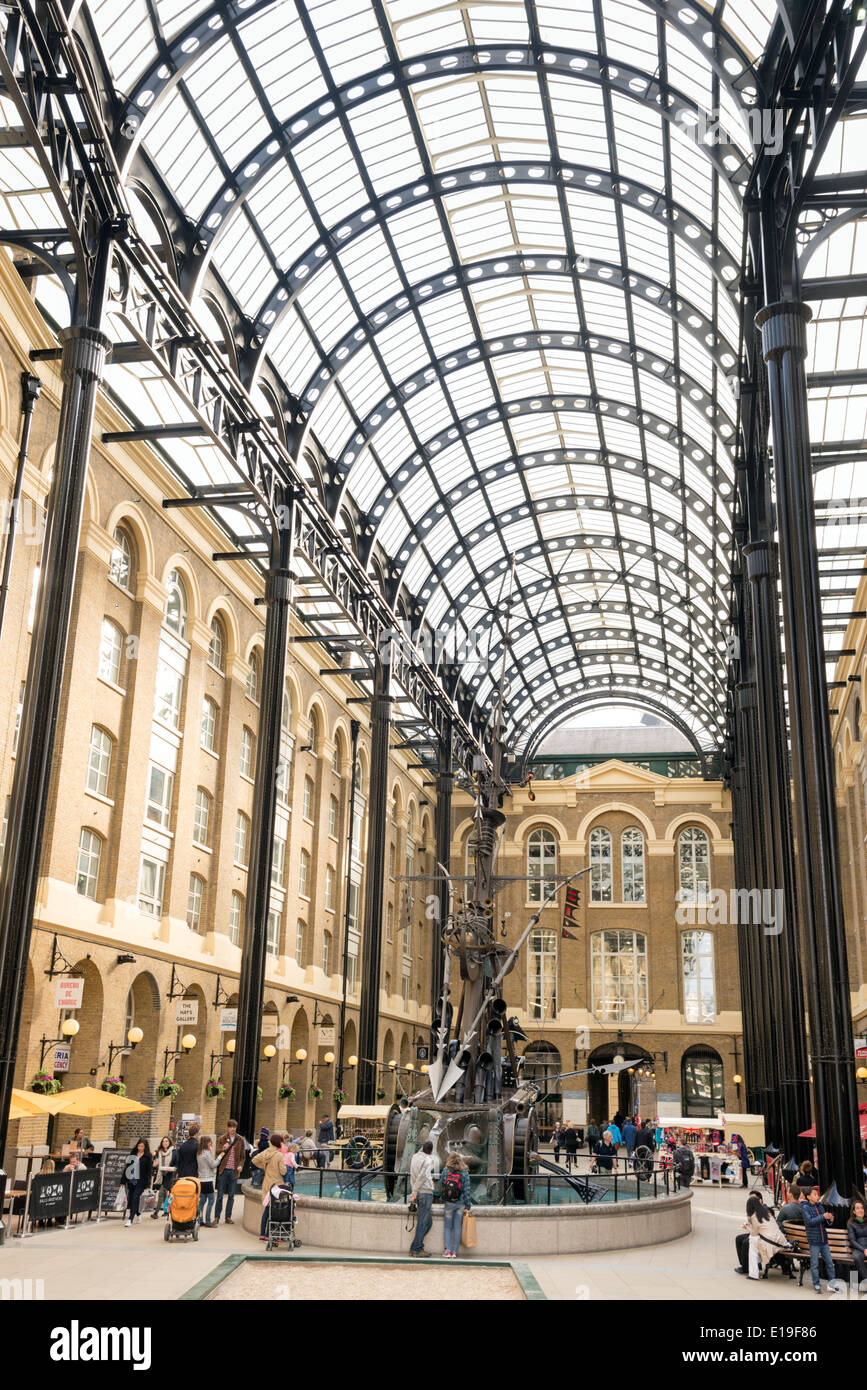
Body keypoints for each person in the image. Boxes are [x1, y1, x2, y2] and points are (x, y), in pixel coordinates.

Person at [800, 1187, 839, 1293]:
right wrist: (823, 1216)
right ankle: (816, 1284)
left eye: (817, 1194)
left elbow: (824, 1222)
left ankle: (832, 1284)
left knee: (830, 1263)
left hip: (823, 1240)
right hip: (814, 1240)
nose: (817, 1196)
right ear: (808, 1197)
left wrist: (830, 1219)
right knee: (815, 1264)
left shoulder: (820, 1206)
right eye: (815, 1194)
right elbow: (810, 1222)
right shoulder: (805, 1207)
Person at [252, 1132, 287, 1240]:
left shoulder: (265, 1152)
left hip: (266, 1182)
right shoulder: (279, 1155)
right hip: (276, 1184)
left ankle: (262, 1234)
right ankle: (268, 1234)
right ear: (279, 1143)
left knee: (267, 1210)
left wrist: (264, 1167)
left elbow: (254, 1160)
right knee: (275, 1210)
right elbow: (283, 1172)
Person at [441, 1151, 471, 1259]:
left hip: (449, 1203)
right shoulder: (464, 1173)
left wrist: (442, 1199)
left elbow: (442, 1186)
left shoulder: (445, 1171)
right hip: (460, 1203)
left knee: (447, 1227)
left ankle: (447, 1251)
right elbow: (467, 1191)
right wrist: (468, 1206)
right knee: (458, 1227)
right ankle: (454, 1252)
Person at [214, 1119, 245, 1224]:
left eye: (234, 1127)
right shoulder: (222, 1138)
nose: (232, 1129)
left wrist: (240, 1166)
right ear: (228, 1128)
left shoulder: (240, 1139)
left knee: (231, 1195)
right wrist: (223, 1148)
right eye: (231, 1127)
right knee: (220, 1195)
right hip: (223, 1169)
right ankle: (216, 1217)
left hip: (234, 1171)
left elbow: (243, 1157)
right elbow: (216, 1152)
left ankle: (228, 1217)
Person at [409, 1140, 436, 1257]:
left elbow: (413, 1175)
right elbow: (422, 1176)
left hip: (419, 1192)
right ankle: (416, 1249)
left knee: (428, 1222)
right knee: (423, 1222)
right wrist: (414, 1192)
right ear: (431, 1151)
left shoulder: (414, 1157)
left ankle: (416, 1245)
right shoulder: (429, 1160)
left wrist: (414, 1190)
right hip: (425, 1193)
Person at [123, 1140, 152, 1227]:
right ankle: (138, 1213)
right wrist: (123, 1180)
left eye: (142, 1146)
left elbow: (148, 1171)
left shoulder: (148, 1156)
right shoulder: (133, 1154)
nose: (140, 1148)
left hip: (141, 1181)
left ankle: (130, 1219)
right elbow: (127, 1167)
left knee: (135, 1198)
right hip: (131, 1179)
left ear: (145, 1147)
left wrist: (148, 1184)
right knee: (131, 1199)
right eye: (139, 1146)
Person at [152, 1136, 176, 1217]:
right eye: (163, 1141)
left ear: (169, 1142)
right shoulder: (158, 1152)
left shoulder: (174, 1151)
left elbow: (177, 1163)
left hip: (171, 1175)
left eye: (166, 1141)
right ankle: (157, 1212)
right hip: (162, 1175)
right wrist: (155, 1162)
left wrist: (173, 1169)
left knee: (170, 1195)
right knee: (162, 1193)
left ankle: (167, 1211)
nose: (165, 1143)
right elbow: (155, 1162)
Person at [197, 1135, 218, 1226]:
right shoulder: (206, 1153)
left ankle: (200, 1220)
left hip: (201, 1179)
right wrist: (220, 1157)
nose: (211, 1143)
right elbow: (213, 1164)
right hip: (208, 1179)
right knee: (211, 1201)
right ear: (206, 1143)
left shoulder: (199, 1153)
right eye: (209, 1142)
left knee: (202, 1201)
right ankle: (208, 1221)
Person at [847, 1196, 867, 1287]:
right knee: (857, 1257)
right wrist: (864, 1250)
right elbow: (852, 1240)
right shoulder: (851, 1223)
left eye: (862, 1208)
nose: (860, 1210)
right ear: (854, 1211)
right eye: (857, 1208)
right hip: (859, 1248)